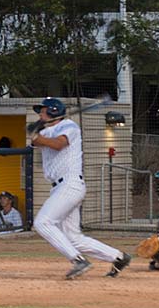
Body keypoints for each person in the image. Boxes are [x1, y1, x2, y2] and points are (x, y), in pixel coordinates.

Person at [29, 97, 127, 278]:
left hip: (70, 184)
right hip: (60, 187)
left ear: (53, 112)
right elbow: (36, 142)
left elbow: (58, 144)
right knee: (73, 237)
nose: (40, 115)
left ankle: (78, 260)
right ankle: (118, 256)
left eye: (42, 111)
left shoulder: (69, 126)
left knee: (43, 222)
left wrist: (37, 134)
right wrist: (36, 132)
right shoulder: (47, 129)